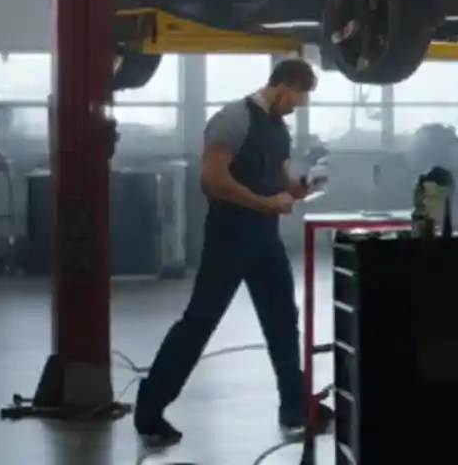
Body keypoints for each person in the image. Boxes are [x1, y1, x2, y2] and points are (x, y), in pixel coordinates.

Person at [134, 59, 330, 447]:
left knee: (281, 321)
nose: (299, 106)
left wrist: (298, 187)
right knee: (200, 321)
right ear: (281, 85)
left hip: (264, 236)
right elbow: (213, 180)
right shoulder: (233, 120)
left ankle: (295, 409)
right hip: (230, 235)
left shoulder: (278, 128)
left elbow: (277, 176)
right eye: (298, 97)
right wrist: (263, 203)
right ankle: (149, 410)